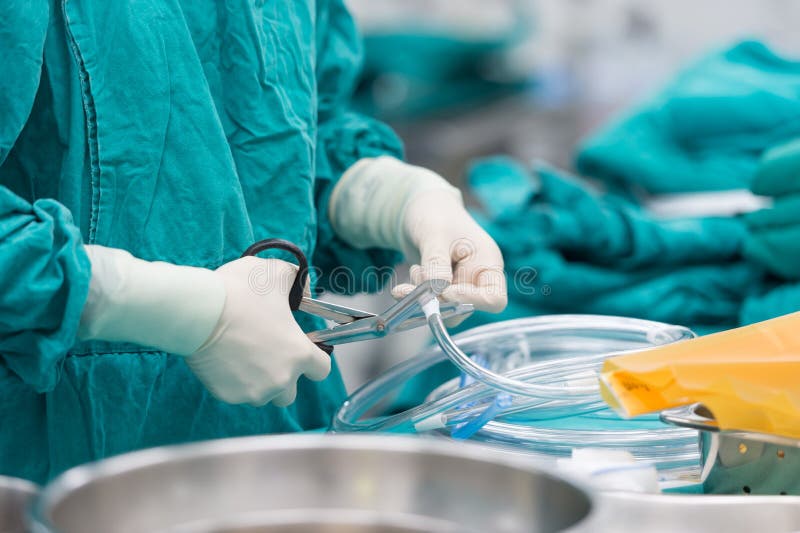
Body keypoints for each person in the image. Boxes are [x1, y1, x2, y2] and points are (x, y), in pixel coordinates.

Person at [1, 0, 506, 483]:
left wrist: (394, 198)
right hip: (50, 458)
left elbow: (291, 133)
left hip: (276, 441)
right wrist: (159, 306)